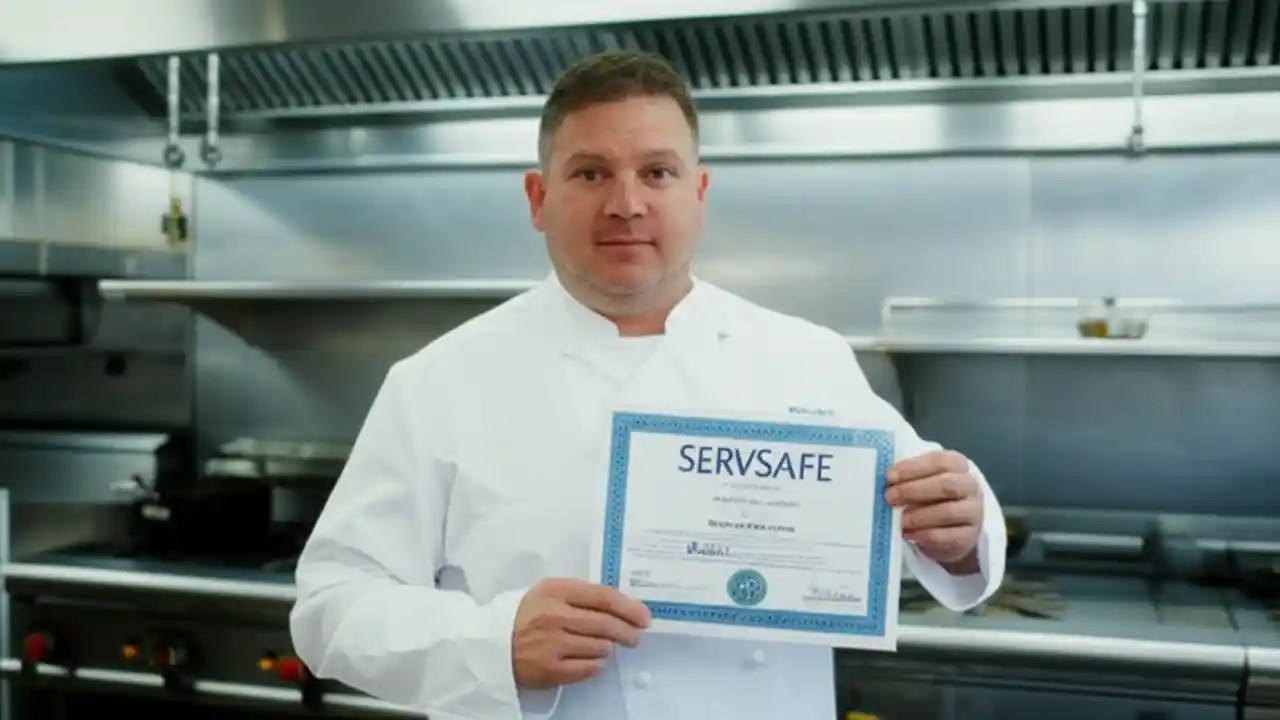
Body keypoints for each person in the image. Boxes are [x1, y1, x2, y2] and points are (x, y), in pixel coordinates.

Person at [289, 50, 1007, 720]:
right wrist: (492, 642)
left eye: (658, 173)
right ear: (538, 198)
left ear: (699, 193)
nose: (626, 204)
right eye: (590, 174)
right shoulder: (439, 382)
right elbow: (329, 608)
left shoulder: (805, 358)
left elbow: (943, 521)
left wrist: (960, 528)